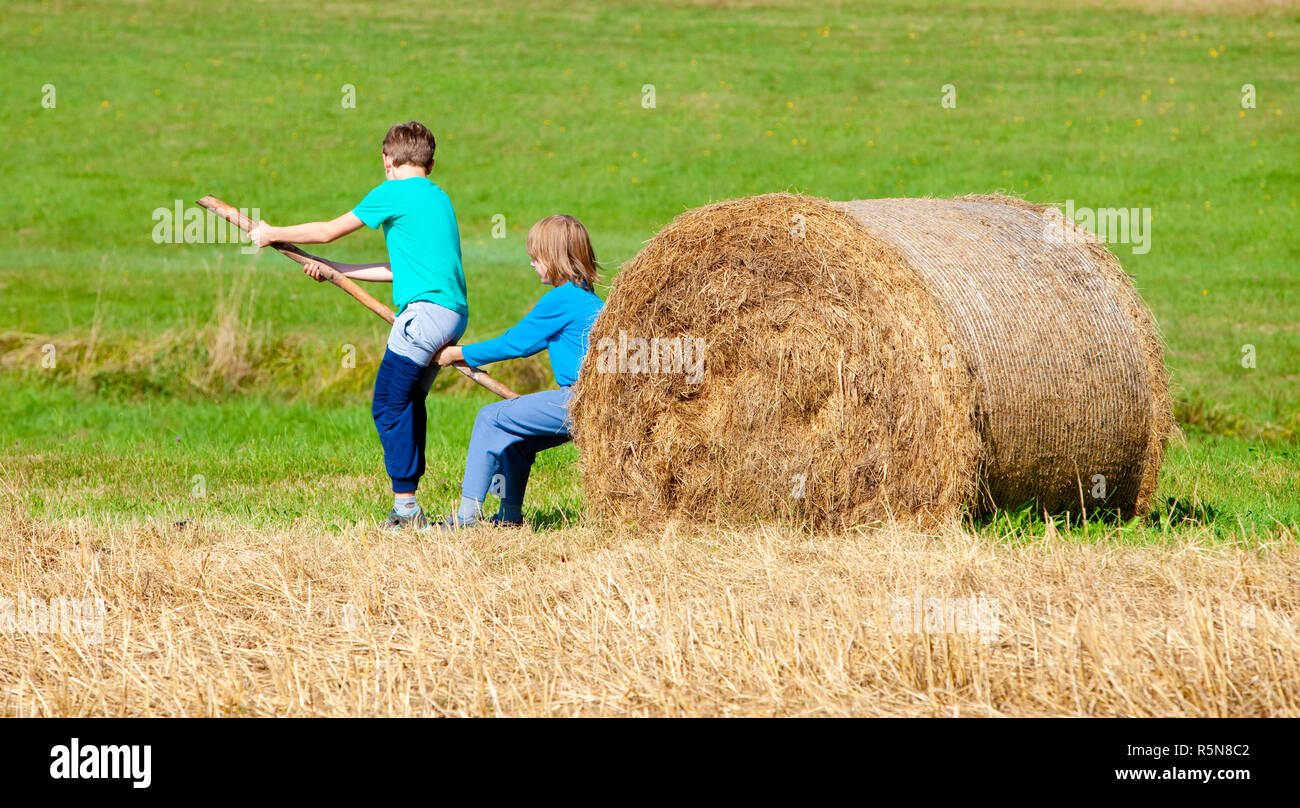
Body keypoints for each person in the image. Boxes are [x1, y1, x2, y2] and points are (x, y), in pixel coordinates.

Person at [250, 121, 467, 529]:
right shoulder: (439, 198)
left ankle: (406, 510)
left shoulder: (392, 192)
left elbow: (328, 231)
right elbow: (399, 270)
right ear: (431, 164)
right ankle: (409, 501)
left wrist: (270, 233)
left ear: (387, 160)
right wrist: (335, 271)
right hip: (452, 314)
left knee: (387, 403)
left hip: (423, 316)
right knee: (407, 402)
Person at [433, 215, 604, 529]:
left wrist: (458, 353)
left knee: (490, 418)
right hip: (593, 402)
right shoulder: (590, 300)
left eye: (535, 258)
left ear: (554, 258)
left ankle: (467, 518)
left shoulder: (562, 299)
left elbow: (516, 344)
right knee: (516, 438)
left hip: (577, 401)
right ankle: (509, 517)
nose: (532, 265)